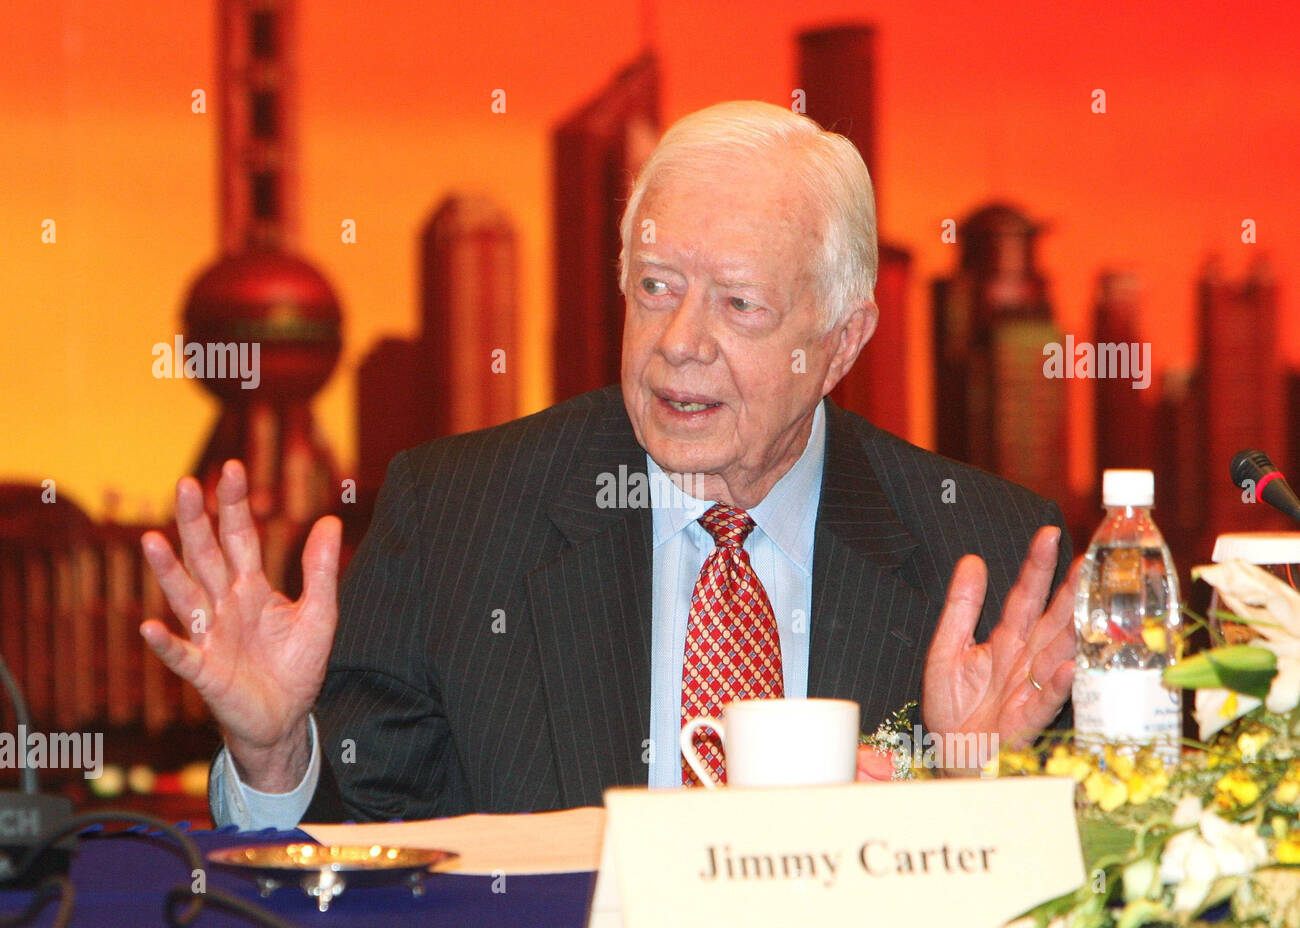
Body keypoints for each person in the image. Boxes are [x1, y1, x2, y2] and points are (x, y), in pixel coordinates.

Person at [139, 102, 1078, 828]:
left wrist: (976, 800)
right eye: (656, 287)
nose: (679, 342)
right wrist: (274, 754)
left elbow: (1109, 908)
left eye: (739, 304)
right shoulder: (458, 519)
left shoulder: (990, 555)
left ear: (841, 341)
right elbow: (365, 868)